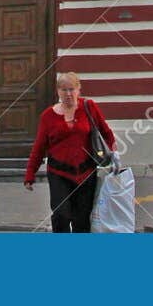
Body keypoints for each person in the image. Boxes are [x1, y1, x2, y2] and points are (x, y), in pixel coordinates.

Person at [24, 71, 116, 233]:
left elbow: (106, 133)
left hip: (86, 172)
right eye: (64, 90)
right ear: (58, 91)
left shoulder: (89, 107)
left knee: (82, 218)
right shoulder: (48, 116)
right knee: (61, 215)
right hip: (59, 173)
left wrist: (114, 157)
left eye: (72, 89)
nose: (68, 94)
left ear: (79, 89)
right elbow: (39, 148)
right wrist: (30, 174)